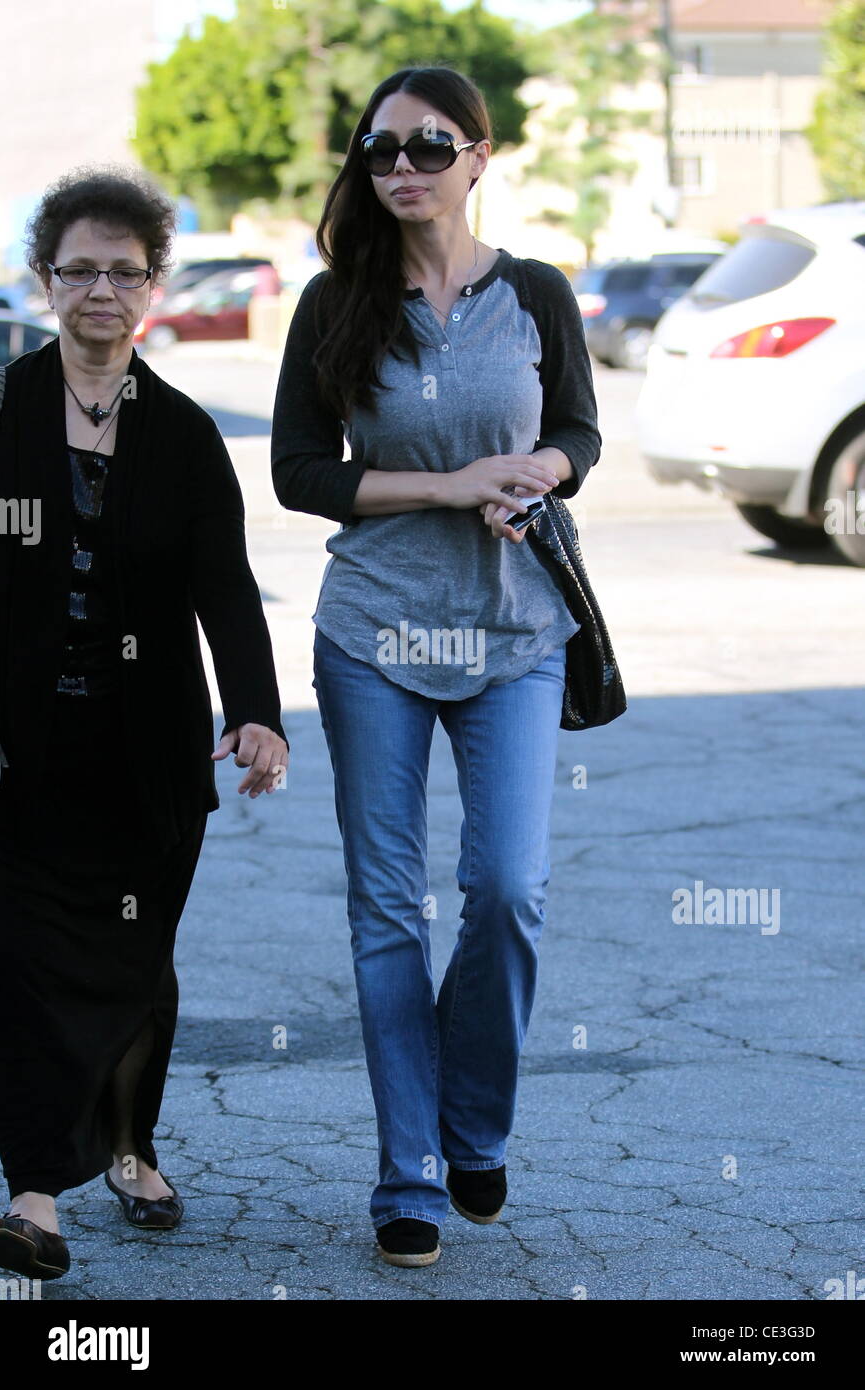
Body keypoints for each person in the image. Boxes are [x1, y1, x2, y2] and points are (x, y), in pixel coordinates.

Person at [271, 67, 601, 1267]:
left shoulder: (538, 295)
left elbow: (578, 428)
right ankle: (408, 1173)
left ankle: (474, 1129)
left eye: (428, 144)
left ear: (479, 155)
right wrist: (450, 485)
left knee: (509, 887)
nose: (402, 166)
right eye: (379, 149)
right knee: (384, 908)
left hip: (514, 630)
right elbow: (300, 471)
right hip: (374, 633)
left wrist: (544, 473)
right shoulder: (333, 303)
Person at [0, 167, 288, 1282]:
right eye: (82, 269)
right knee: (27, 965)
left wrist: (258, 713)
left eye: (125, 270)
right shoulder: (4, 412)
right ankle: (35, 1193)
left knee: (132, 959)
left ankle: (128, 1146)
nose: (102, 289)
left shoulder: (182, 436)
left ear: (155, 285)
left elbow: (226, 583)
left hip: (153, 756)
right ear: (46, 282)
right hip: (24, 755)